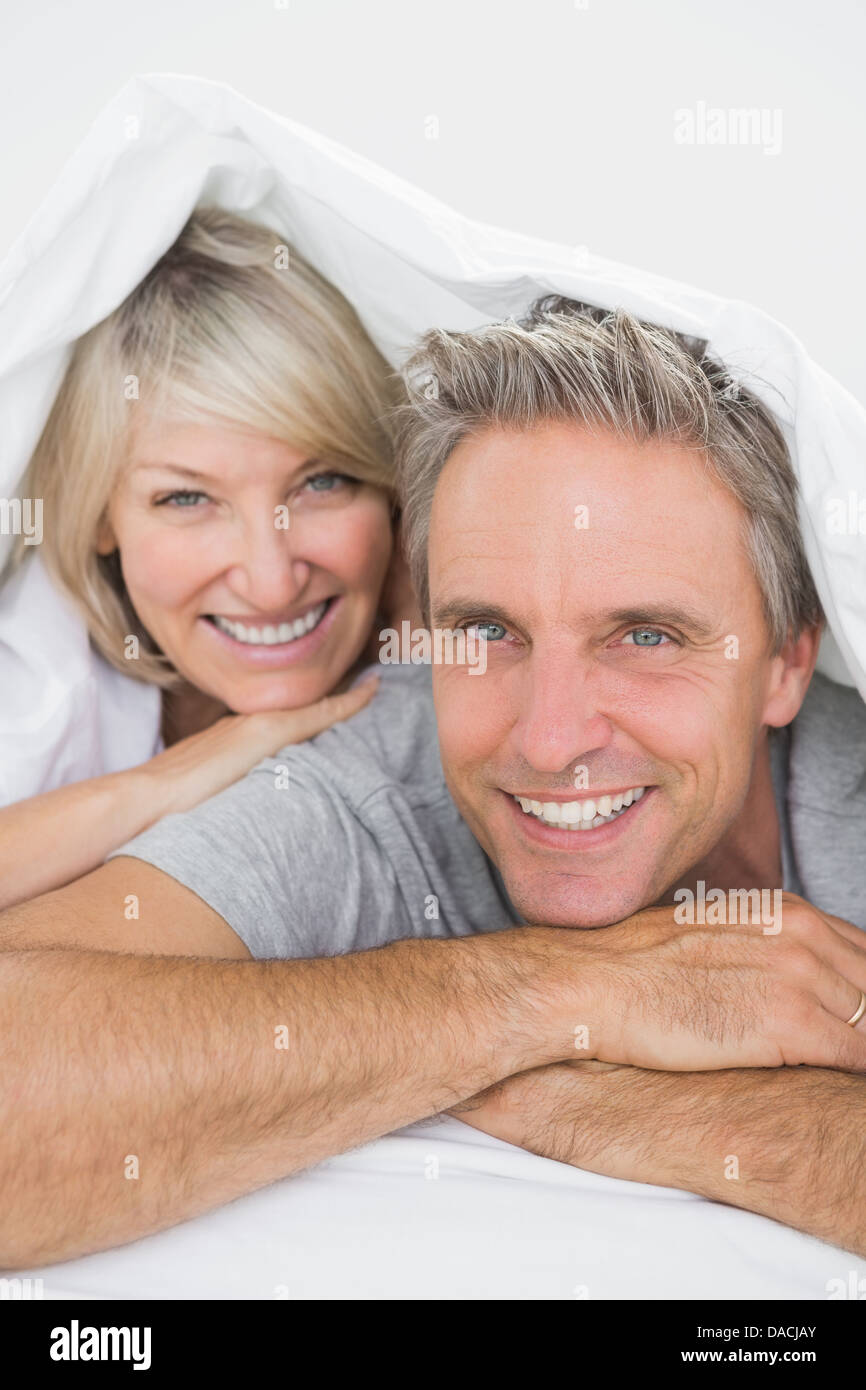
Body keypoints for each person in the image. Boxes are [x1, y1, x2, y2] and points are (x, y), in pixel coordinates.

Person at [2, 298, 866, 1271]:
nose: (547, 741)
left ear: (788, 663)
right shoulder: (362, 778)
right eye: (487, 632)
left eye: (644, 638)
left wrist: (631, 1101)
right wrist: (569, 996)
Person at [0, 205, 420, 908]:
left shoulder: (460, 645)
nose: (270, 581)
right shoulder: (33, 688)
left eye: (323, 482)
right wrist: (167, 782)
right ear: (101, 517)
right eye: (187, 499)